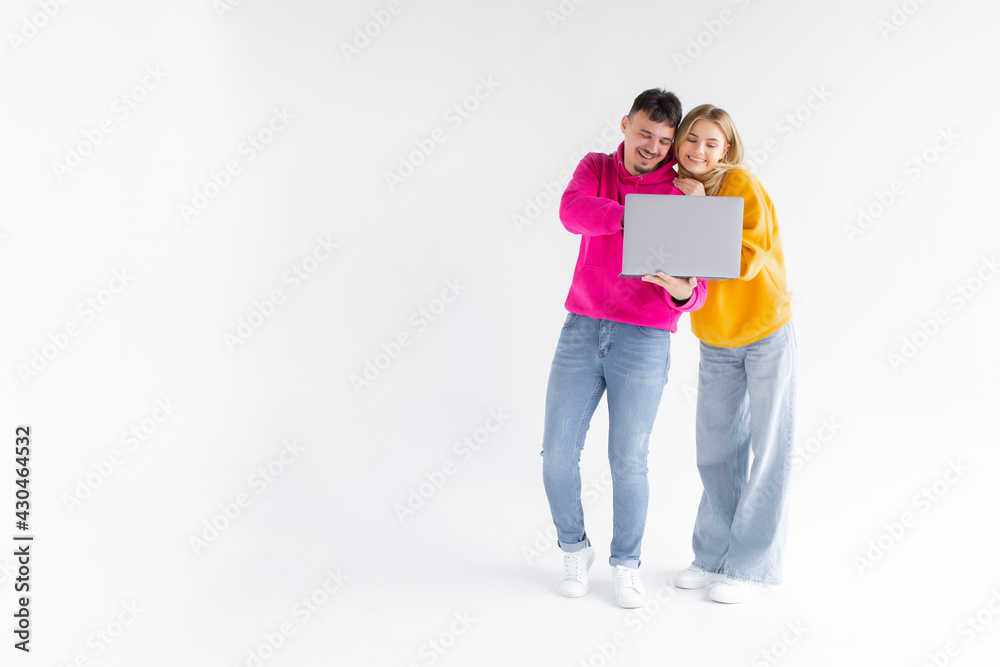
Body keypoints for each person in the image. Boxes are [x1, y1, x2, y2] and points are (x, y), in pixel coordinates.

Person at [541, 89, 707, 608]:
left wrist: (681, 290)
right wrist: (636, 216)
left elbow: (697, 288)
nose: (653, 147)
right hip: (582, 327)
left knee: (628, 458)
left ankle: (626, 564)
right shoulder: (596, 167)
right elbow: (572, 212)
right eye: (644, 133)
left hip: (645, 336)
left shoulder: (684, 192)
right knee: (557, 452)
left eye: (664, 139)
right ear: (625, 125)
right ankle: (574, 548)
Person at [650, 104, 796, 604]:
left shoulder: (740, 184)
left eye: (712, 143)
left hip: (764, 331)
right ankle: (713, 557)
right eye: (691, 139)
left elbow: (745, 260)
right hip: (715, 337)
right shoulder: (672, 188)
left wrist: (699, 211)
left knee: (768, 448)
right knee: (715, 451)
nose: (699, 150)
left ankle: (752, 568)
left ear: (727, 149)